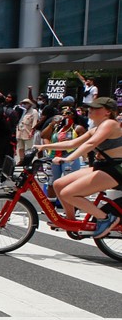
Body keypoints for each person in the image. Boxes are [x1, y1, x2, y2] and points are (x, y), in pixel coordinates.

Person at [38, 97, 122, 238]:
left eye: (96, 108)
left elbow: (90, 144)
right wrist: (43, 147)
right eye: (90, 107)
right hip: (102, 167)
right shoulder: (96, 128)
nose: (90, 110)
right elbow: (72, 143)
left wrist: (68, 158)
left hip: (115, 170)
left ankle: (106, 218)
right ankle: (70, 221)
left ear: (108, 112)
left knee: (68, 193)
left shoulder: (110, 124)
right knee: (58, 184)